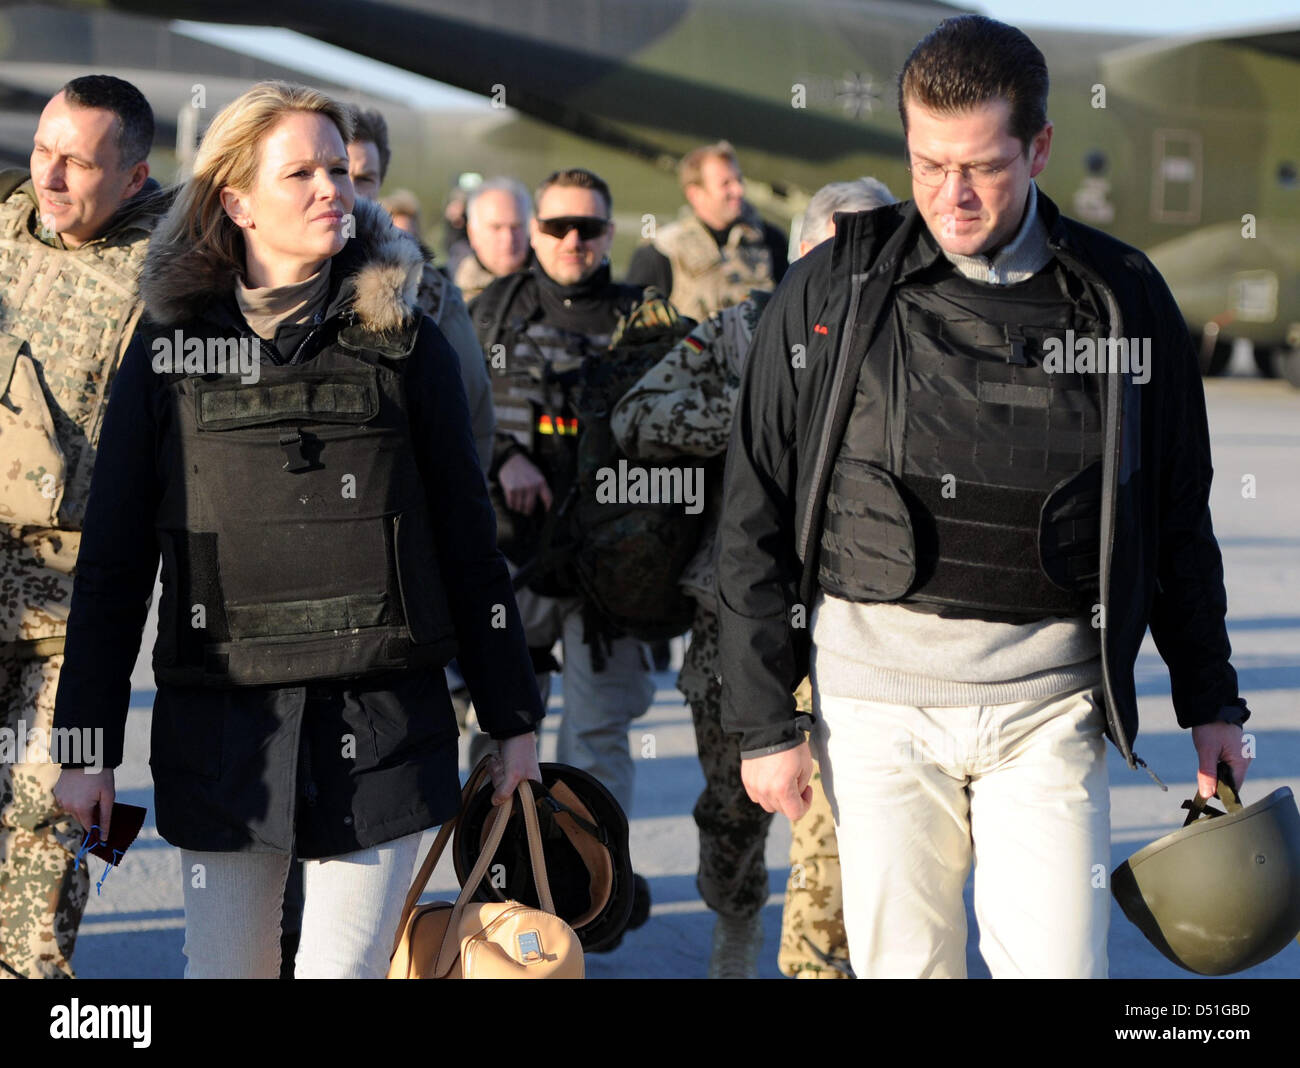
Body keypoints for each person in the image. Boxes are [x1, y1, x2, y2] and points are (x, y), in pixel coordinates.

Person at [717, 14, 1252, 980]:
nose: (951, 197)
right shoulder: (831, 287)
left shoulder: (1125, 297)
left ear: (1040, 146)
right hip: (874, 710)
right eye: (926, 165)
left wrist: (1211, 699)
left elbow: (1177, 514)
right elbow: (754, 504)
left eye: (982, 167)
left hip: (1048, 713)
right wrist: (763, 722)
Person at [50, 81, 543, 980]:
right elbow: (114, 564)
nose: (333, 190)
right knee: (226, 970)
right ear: (236, 202)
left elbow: (470, 546)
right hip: (223, 734)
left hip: (382, 729)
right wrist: (85, 750)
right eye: (302, 172)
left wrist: (513, 720)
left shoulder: (407, 342)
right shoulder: (167, 353)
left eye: (341, 171)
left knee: (338, 971)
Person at [613, 177, 892, 978]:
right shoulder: (743, 329)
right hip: (734, 616)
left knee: (832, 825)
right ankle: (735, 921)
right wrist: (754, 420)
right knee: (732, 812)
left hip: (854, 618)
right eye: (842, 251)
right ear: (803, 251)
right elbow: (638, 416)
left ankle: (814, 961)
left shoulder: (903, 340)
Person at [0, 75, 170, 980]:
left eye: (78, 161)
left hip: (72, 619)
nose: (51, 177)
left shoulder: (171, 275)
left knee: (46, 820)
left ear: (135, 175)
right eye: (41, 150)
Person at [469, 168, 654, 935]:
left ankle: (585, 899)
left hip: (609, 576)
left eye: (590, 227)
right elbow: (447, 425)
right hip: (511, 563)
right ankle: (496, 893)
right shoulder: (488, 314)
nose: (573, 240)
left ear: (611, 233)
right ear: (534, 229)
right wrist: (501, 459)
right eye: (557, 227)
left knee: (598, 738)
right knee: (497, 738)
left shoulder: (646, 323)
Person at [343, 104, 492, 470]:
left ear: (380, 184)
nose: (346, 190)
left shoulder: (432, 294)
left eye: (364, 178)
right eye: (335, 171)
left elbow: (475, 424)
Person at [626, 140, 787, 320]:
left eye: (739, 180)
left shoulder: (771, 242)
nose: (739, 190)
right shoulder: (661, 251)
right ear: (695, 194)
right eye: (725, 183)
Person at [455, 177, 533, 303]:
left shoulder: (555, 294)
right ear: (472, 233)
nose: (508, 238)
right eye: (496, 227)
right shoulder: (448, 299)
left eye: (516, 227)